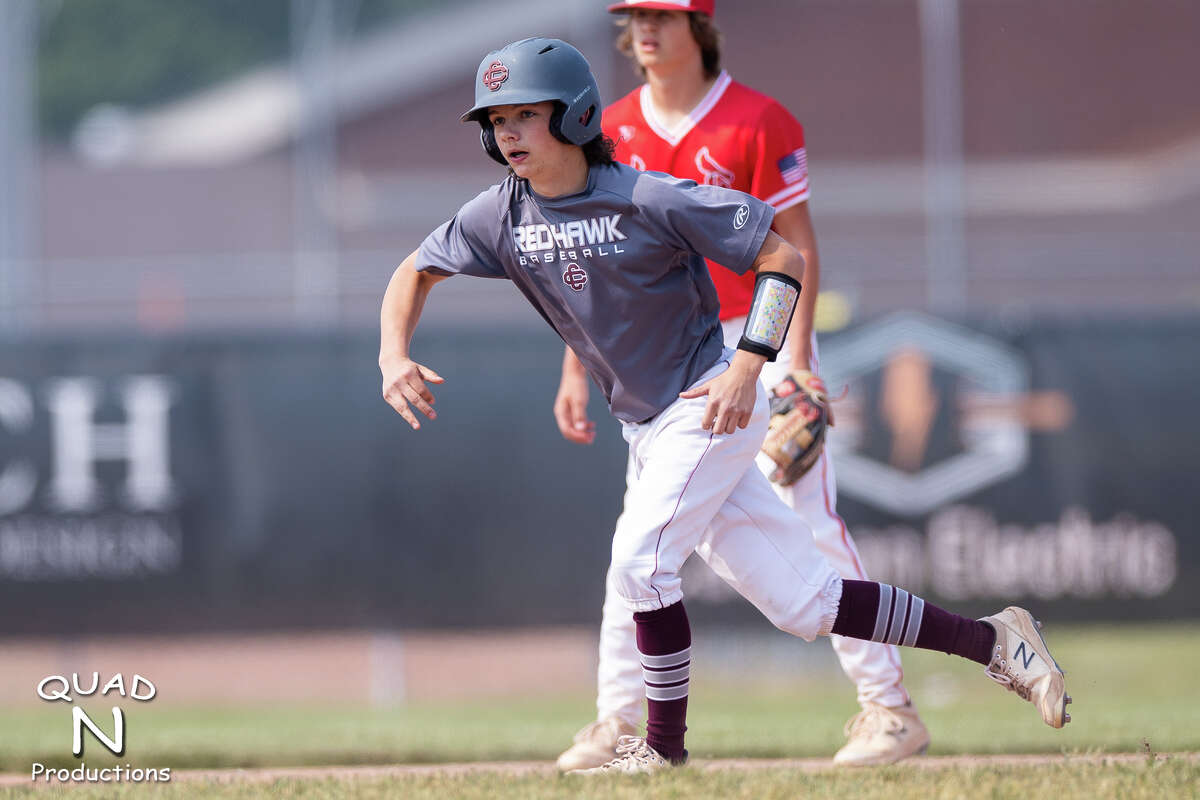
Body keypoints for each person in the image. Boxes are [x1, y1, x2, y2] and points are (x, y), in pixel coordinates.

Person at [379, 36, 1070, 776]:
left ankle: (663, 753)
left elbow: (784, 257)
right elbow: (414, 270)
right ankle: (997, 641)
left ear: (576, 114)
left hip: (705, 408)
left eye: (525, 114)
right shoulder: (499, 214)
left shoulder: (647, 196)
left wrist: (751, 364)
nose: (506, 133)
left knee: (641, 564)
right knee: (808, 604)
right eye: (495, 120)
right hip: (646, 428)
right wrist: (393, 353)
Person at [552, 0, 927, 769]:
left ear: (701, 29)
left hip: (754, 335)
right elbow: (585, 264)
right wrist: (575, 367)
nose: (643, 31)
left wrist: (797, 364)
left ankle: (888, 709)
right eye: (633, 18)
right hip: (659, 356)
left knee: (807, 516)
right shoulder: (612, 127)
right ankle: (616, 719)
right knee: (641, 538)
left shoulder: (759, 121)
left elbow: (796, 248)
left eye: (662, 17)